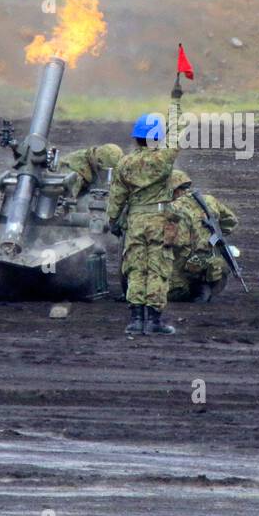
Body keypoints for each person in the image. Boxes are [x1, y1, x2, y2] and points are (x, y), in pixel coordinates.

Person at [107, 88, 183, 336]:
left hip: (135, 221)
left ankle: (136, 319)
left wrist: (113, 220)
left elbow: (117, 197)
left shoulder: (124, 163)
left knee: (135, 268)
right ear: (157, 138)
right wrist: (175, 102)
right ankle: (154, 320)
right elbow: (177, 133)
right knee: (158, 269)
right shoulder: (162, 159)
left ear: (136, 137)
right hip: (159, 221)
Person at [166, 169, 238, 303]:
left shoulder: (173, 208)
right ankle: (206, 285)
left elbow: (176, 242)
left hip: (186, 266)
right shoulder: (209, 200)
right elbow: (231, 221)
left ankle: (195, 290)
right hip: (211, 265)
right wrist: (214, 234)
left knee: (166, 293)